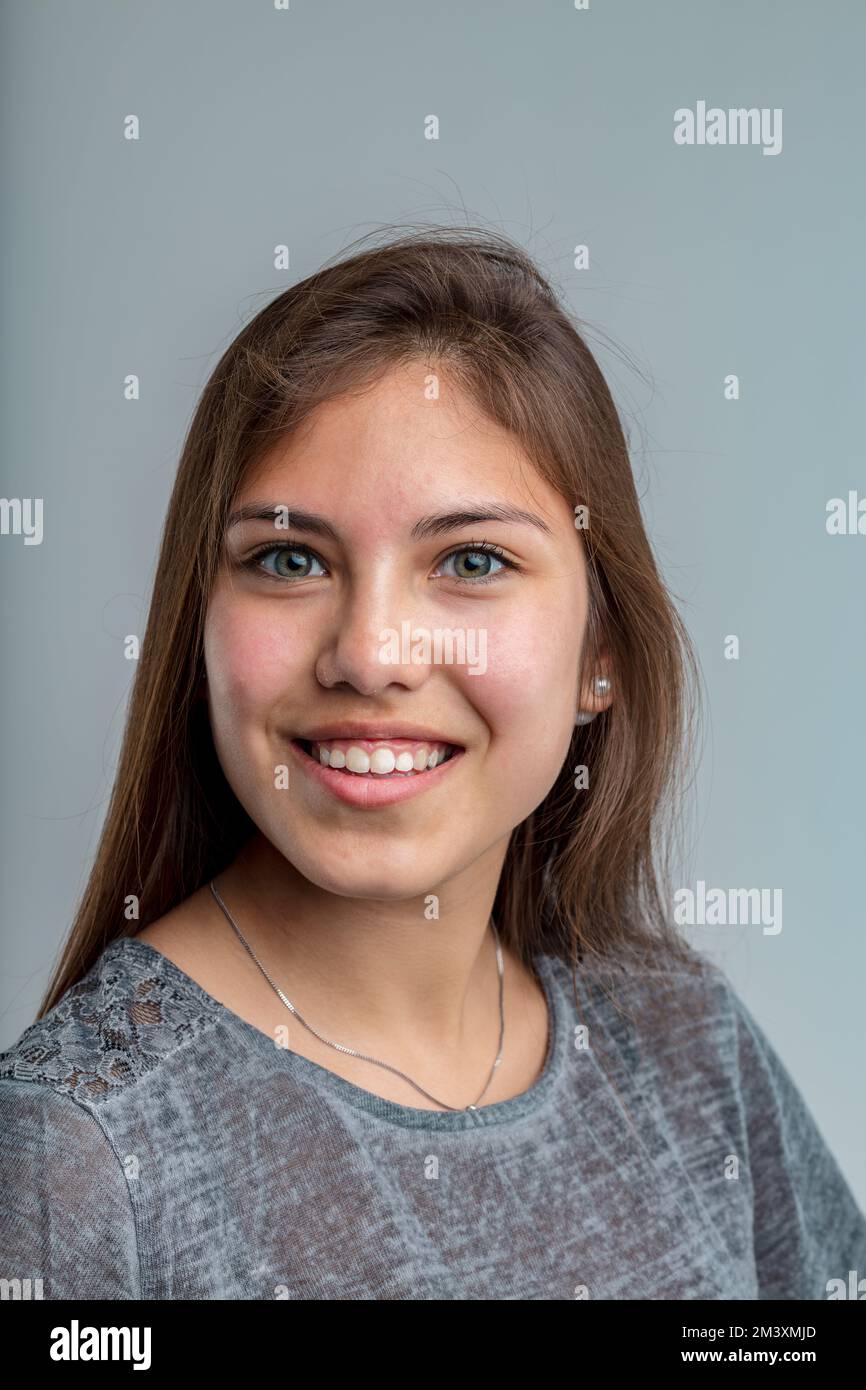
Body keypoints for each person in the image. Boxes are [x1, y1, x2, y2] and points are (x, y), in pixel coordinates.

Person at [1, 227, 864, 1300]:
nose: (369, 653)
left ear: (599, 653)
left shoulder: (690, 1049)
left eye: (469, 561)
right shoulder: (73, 1157)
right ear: (200, 625)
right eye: (287, 558)